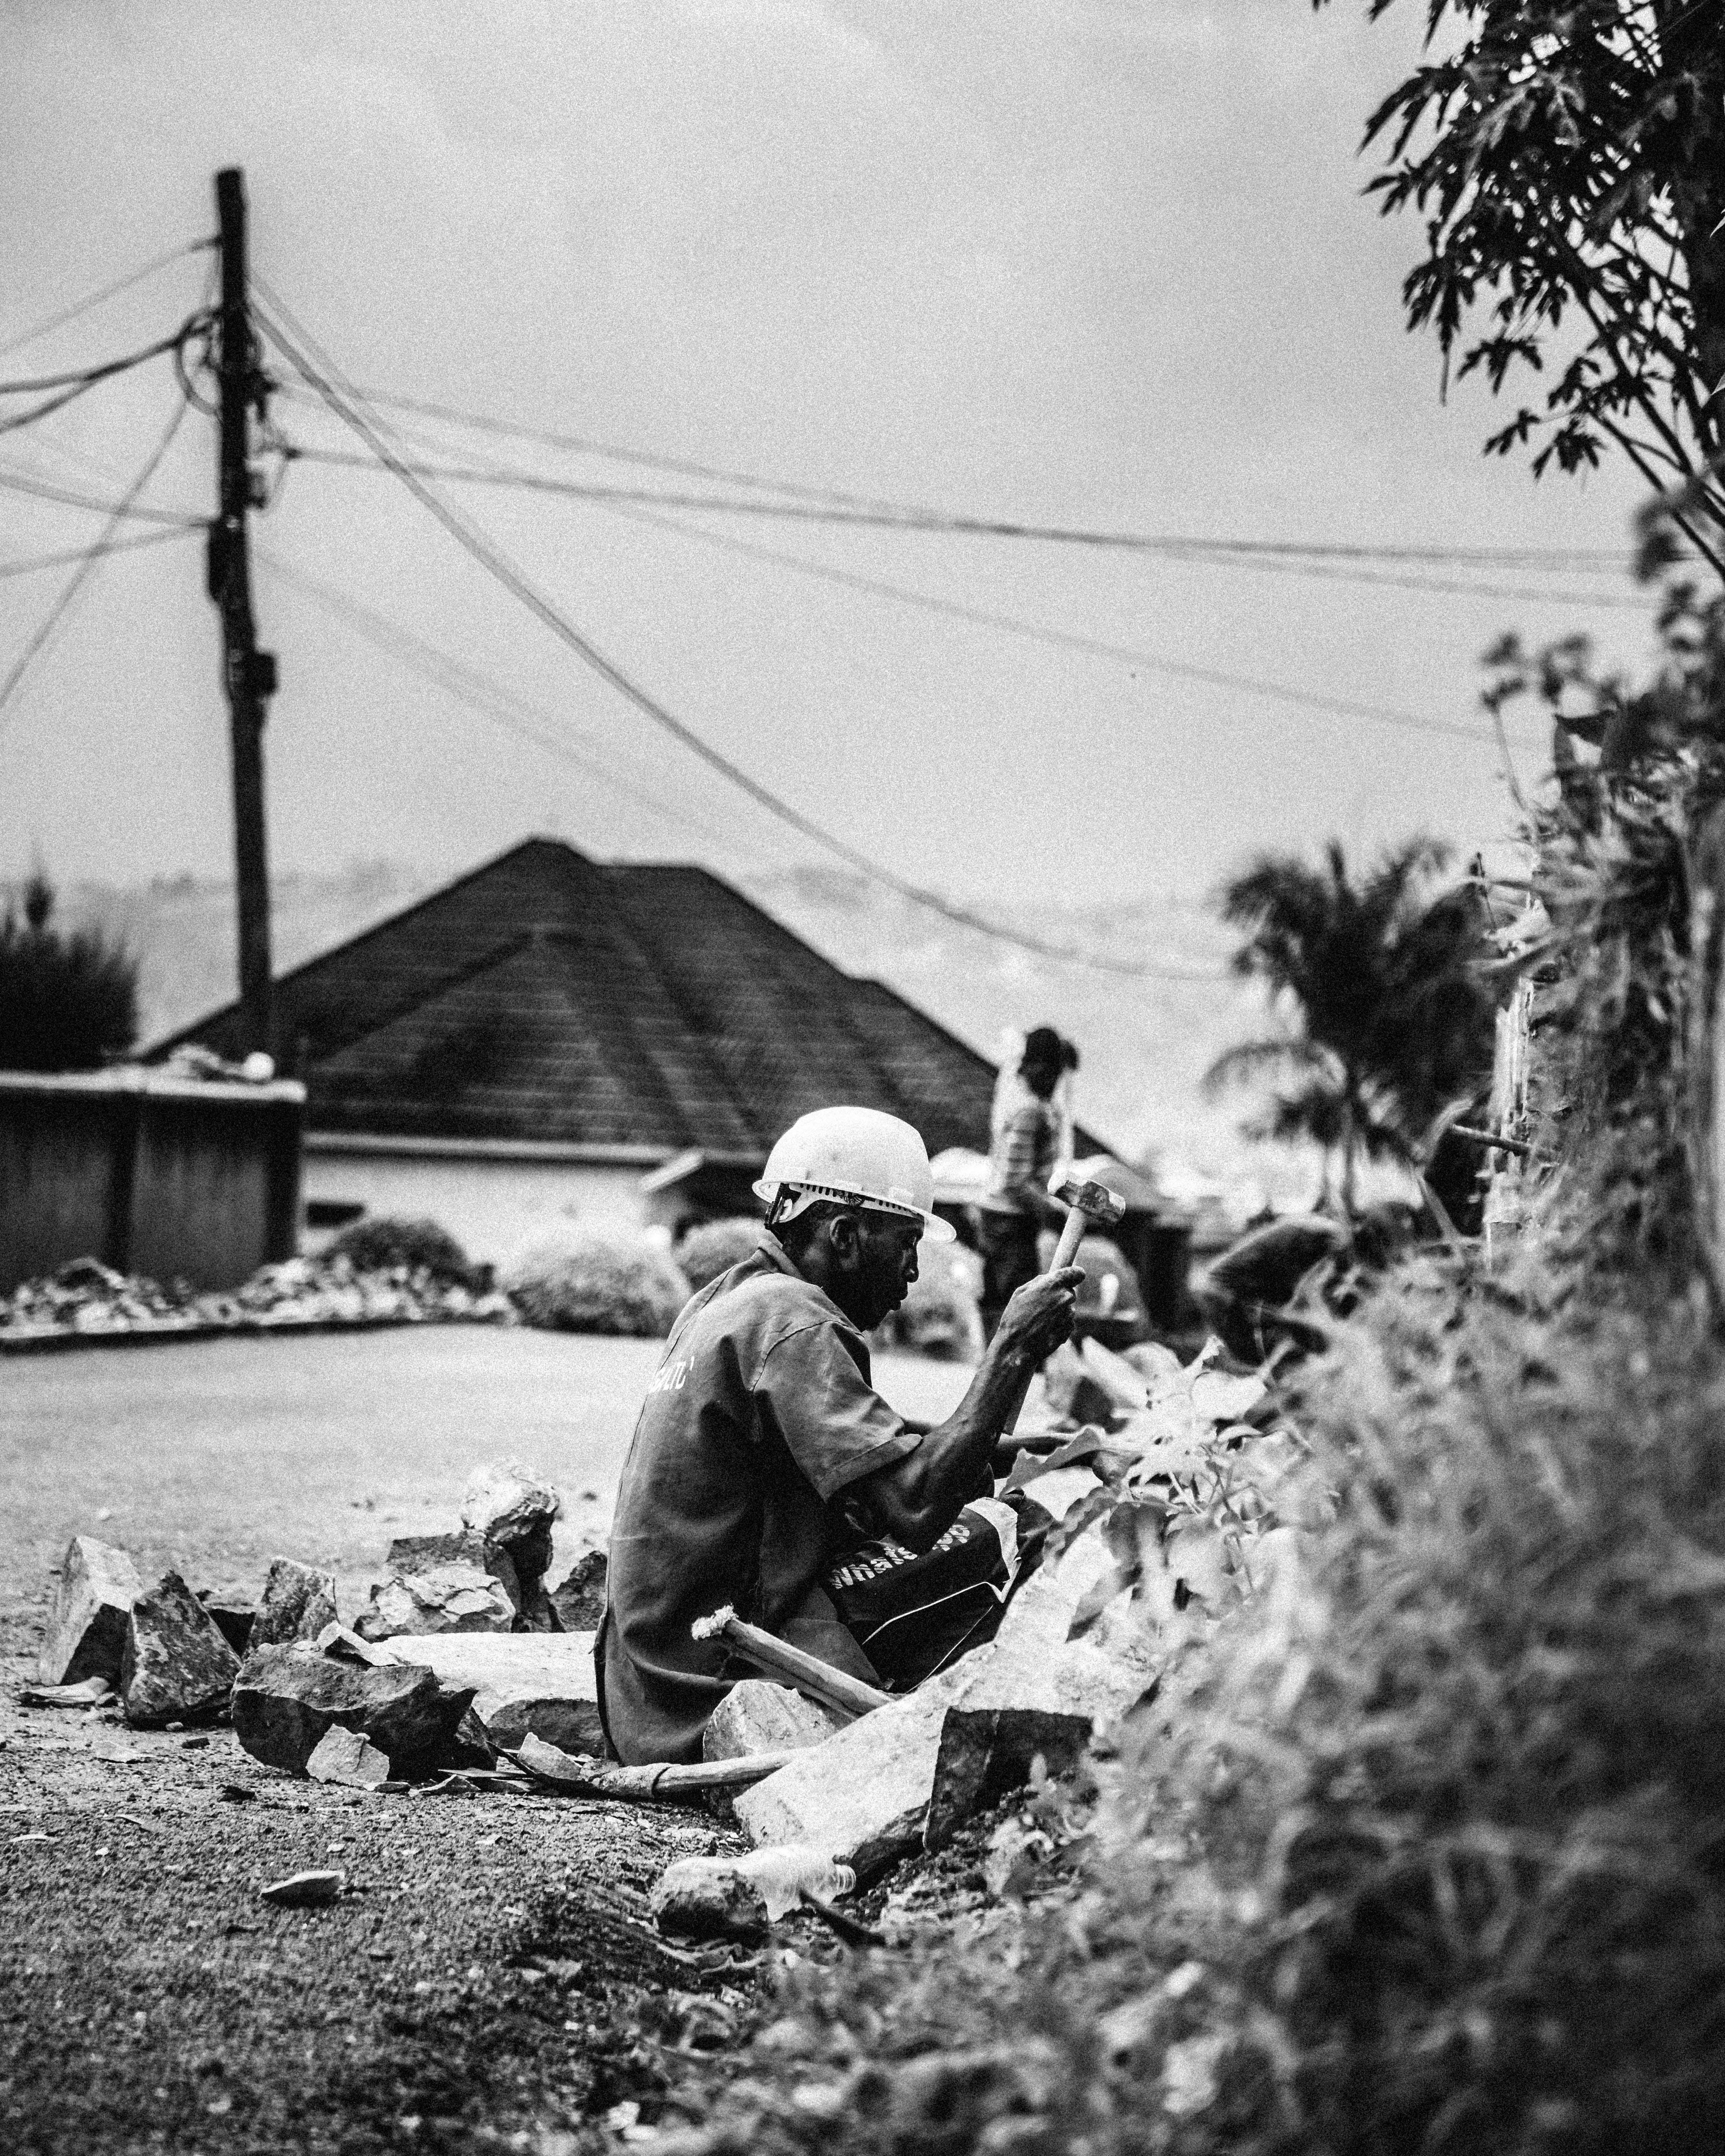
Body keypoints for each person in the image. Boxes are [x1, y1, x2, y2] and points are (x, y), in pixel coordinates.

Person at [597, 1104, 1082, 1764]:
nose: (912, 1275)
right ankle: (973, 1753)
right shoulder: (796, 1322)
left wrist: (1000, 1447)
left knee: (976, 1506)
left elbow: (853, 1449)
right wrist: (1011, 1351)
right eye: (907, 1245)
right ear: (847, 1236)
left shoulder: (723, 1303)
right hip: (715, 1680)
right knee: (1016, 1529)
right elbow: (911, 1506)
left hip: (644, 1688)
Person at [975, 1025, 1074, 1340]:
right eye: (1044, 1071)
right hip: (1008, 1219)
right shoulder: (1030, 1111)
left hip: (1011, 1218)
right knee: (1016, 1306)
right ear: (1029, 1068)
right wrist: (1051, 1211)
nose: (1050, 1080)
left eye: (1055, 1073)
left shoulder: (1038, 1108)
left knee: (1009, 1301)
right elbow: (1015, 1182)